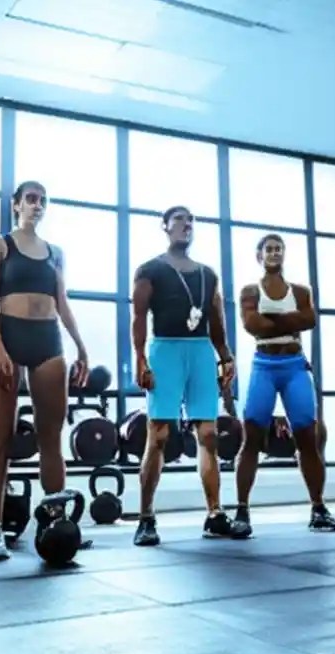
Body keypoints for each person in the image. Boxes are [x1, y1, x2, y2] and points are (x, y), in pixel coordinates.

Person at [0, 180, 89, 562]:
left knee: (51, 436)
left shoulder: (56, 253)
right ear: (16, 205)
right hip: (8, 336)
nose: (37, 206)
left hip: (47, 340)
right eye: (31, 199)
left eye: (42, 201)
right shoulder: (0, 245)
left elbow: (63, 302)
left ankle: (55, 521)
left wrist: (81, 346)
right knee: (0, 437)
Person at [130, 206, 249, 546]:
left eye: (191, 220)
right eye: (179, 219)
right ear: (165, 227)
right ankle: (146, 517)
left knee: (209, 435)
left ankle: (214, 514)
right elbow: (138, 318)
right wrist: (140, 359)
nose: (186, 225)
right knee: (160, 436)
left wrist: (226, 357)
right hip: (164, 351)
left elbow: (216, 318)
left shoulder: (208, 274)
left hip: (200, 352)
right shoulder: (149, 269)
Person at [233, 233, 335, 536]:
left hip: (294, 365)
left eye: (278, 249)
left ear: (284, 254)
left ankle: (318, 508)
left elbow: (310, 320)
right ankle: (242, 510)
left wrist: (273, 318)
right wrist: (289, 320)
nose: (274, 253)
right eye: (268, 249)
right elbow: (253, 326)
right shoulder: (250, 290)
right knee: (251, 436)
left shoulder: (301, 291)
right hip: (264, 366)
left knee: (309, 436)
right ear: (259, 255)